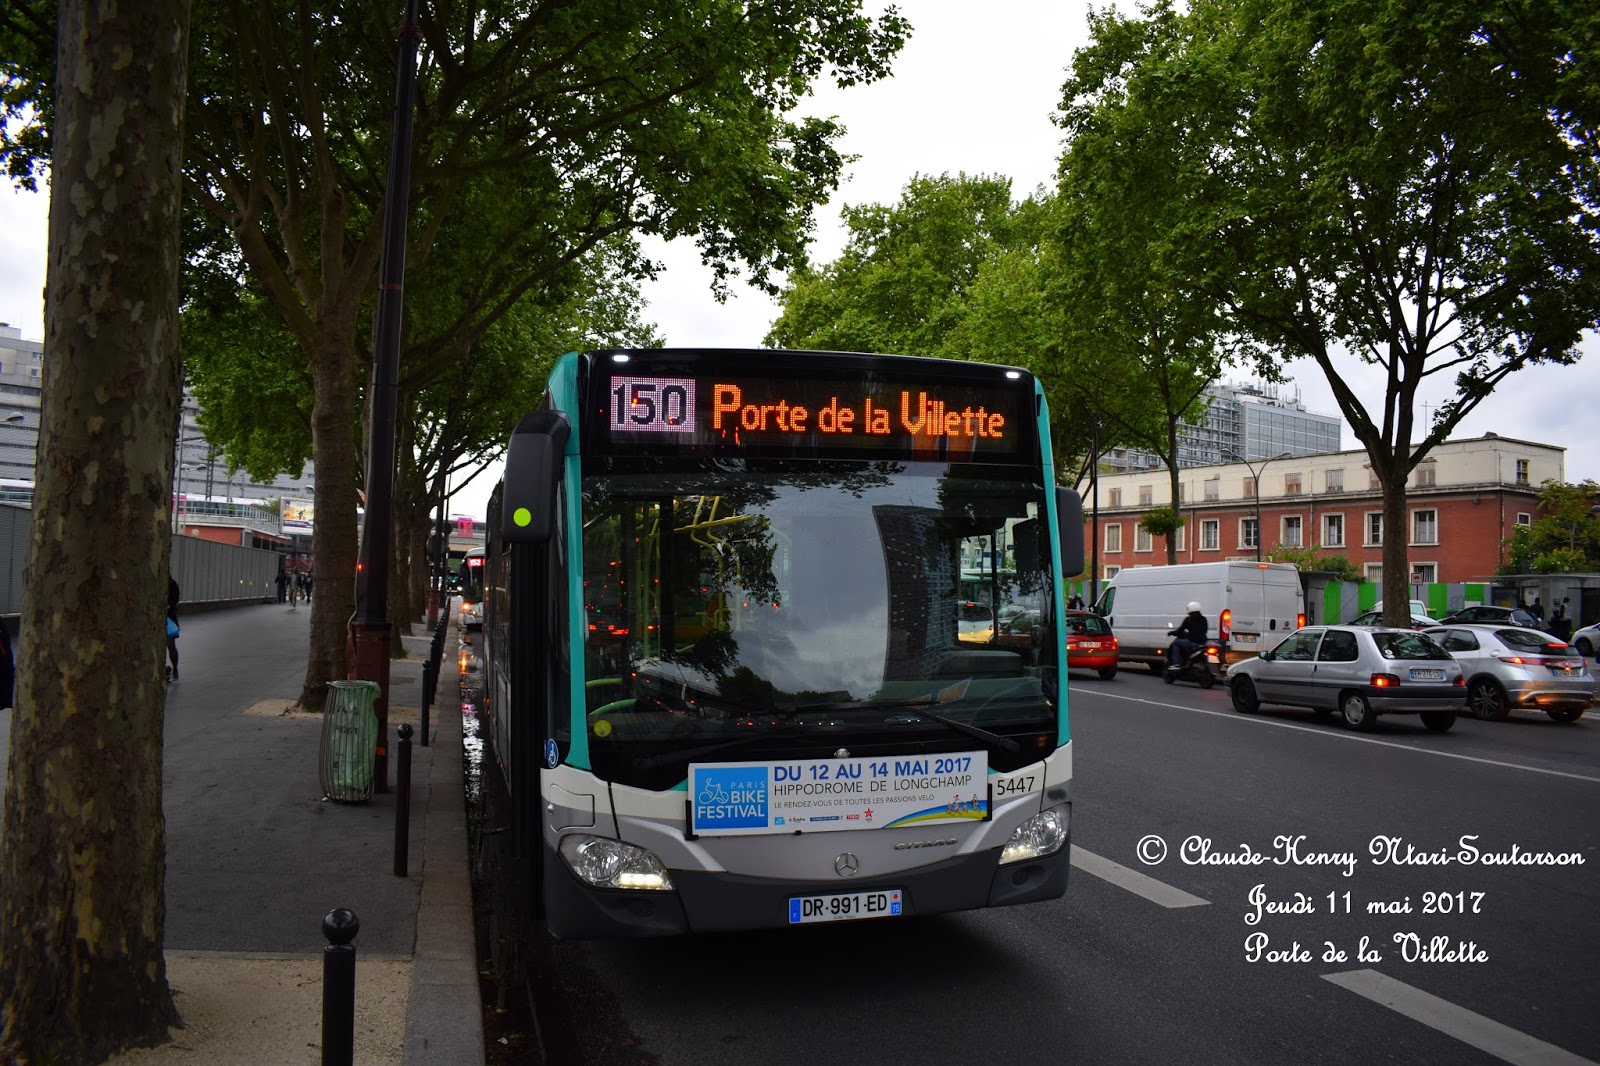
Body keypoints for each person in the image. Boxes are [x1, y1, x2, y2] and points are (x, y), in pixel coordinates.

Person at [1167, 601, 1208, 669]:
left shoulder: (1189, 619)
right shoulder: (1204, 619)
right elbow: (1203, 630)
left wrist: (1171, 633)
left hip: (1194, 642)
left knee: (1176, 643)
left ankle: (1175, 664)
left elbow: (1180, 631)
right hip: (1203, 642)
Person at [167, 576, 181, 681]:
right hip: (167, 618)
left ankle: (175, 669)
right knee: (170, 646)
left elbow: (175, 599)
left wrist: (169, 606)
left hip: (169, 619)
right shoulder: (171, 582)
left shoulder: (172, 583)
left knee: (171, 645)